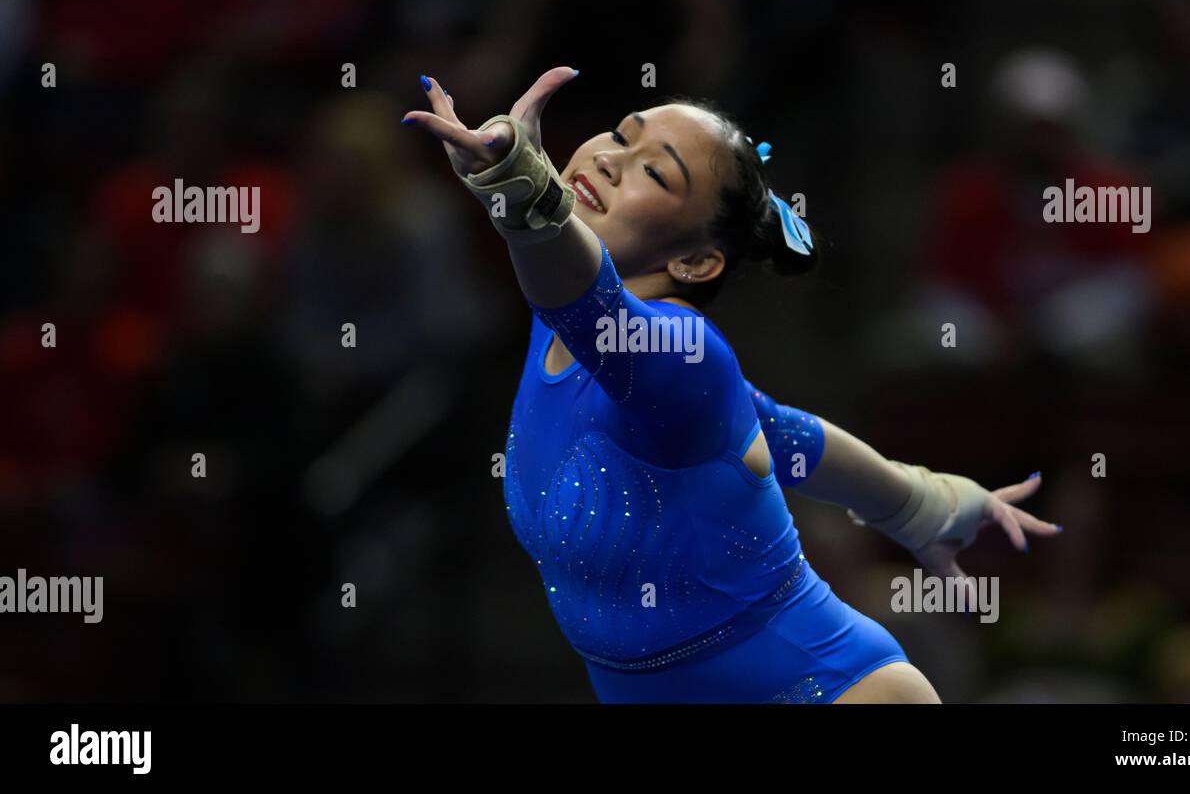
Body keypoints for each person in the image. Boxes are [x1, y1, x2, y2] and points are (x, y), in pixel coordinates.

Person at [402, 67, 1061, 703]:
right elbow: (781, 433)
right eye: (621, 135)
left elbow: (587, 301)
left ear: (695, 261)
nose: (608, 160)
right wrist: (919, 500)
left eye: (654, 171)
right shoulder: (563, 328)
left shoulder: (683, 353)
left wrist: (525, 194)